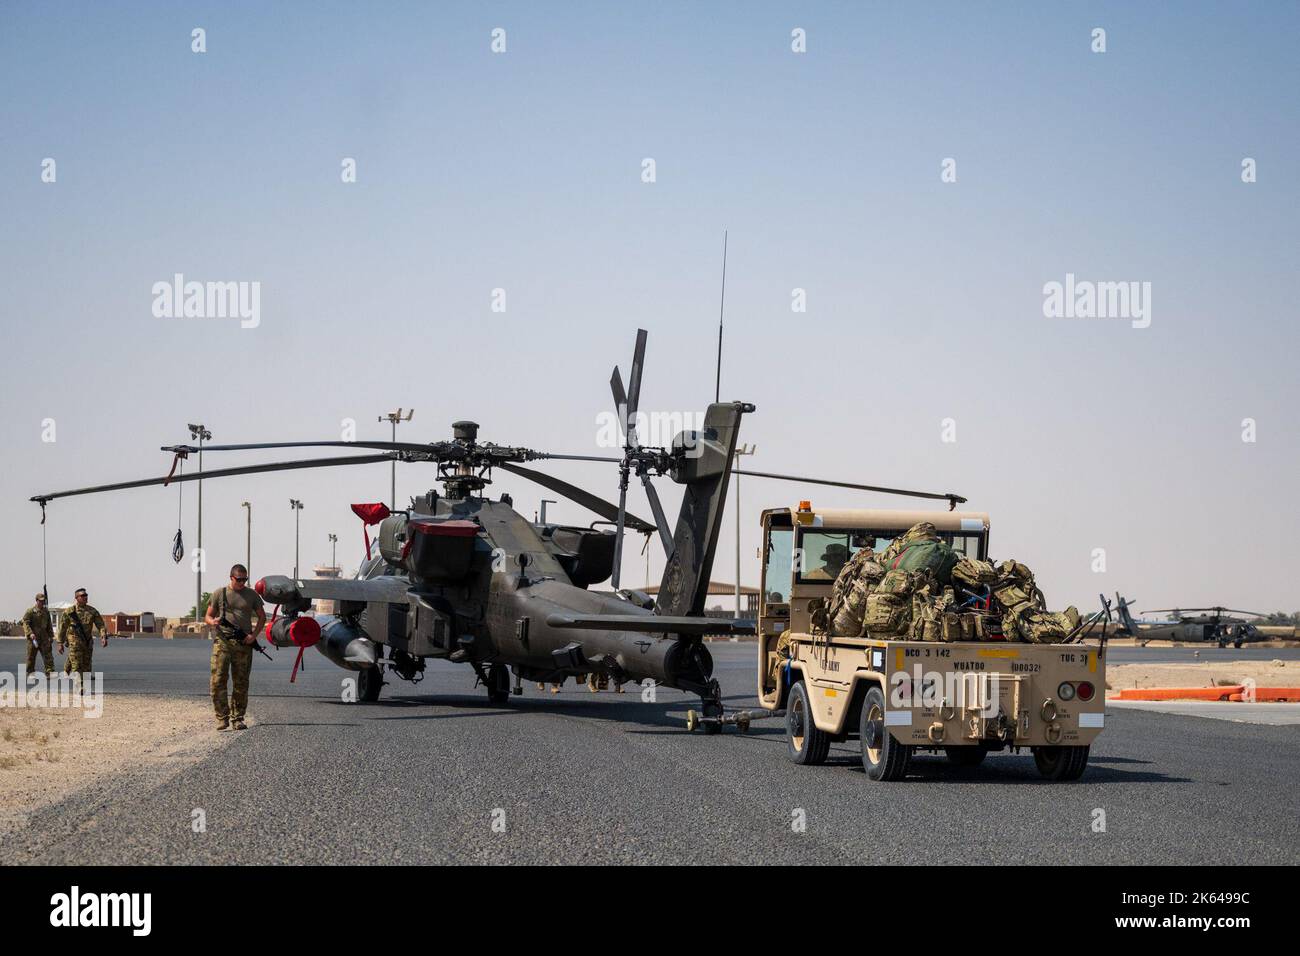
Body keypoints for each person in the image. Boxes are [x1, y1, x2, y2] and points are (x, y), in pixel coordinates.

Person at [204, 564, 266, 731]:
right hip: (222, 641)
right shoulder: (220, 593)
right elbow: (208, 616)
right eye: (239, 579)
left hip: (243, 643)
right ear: (231, 577)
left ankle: (237, 718)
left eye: (245, 579)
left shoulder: (251, 595)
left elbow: (262, 617)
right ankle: (222, 718)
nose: (242, 582)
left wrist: (253, 636)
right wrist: (213, 621)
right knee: (218, 681)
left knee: (241, 682)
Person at [56, 587, 107, 688]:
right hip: (74, 641)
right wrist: (60, 643)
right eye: (83, 596)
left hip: (87, 642)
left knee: (87, 665)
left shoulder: (92, 611)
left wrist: (103, 636)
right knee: (77, 664)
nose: (85, 597)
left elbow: (100, 625)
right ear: (76, 598)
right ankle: (79, 686)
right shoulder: (69, 612)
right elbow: (62, 628)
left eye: (86, 595)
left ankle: (84, 684)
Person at [21, 592, 55, 679]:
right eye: (40, 601)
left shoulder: (46, 611)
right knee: (31, 656)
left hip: (44, 637)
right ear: (36, 600)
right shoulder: (30, 611)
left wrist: (51, 636)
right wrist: (30, 633)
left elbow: (49, 625)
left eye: (43, 601)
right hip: (34, 638)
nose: (42, 602)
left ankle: (50, 673)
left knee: (48, 656)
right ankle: (30, 673)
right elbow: (25, 623)